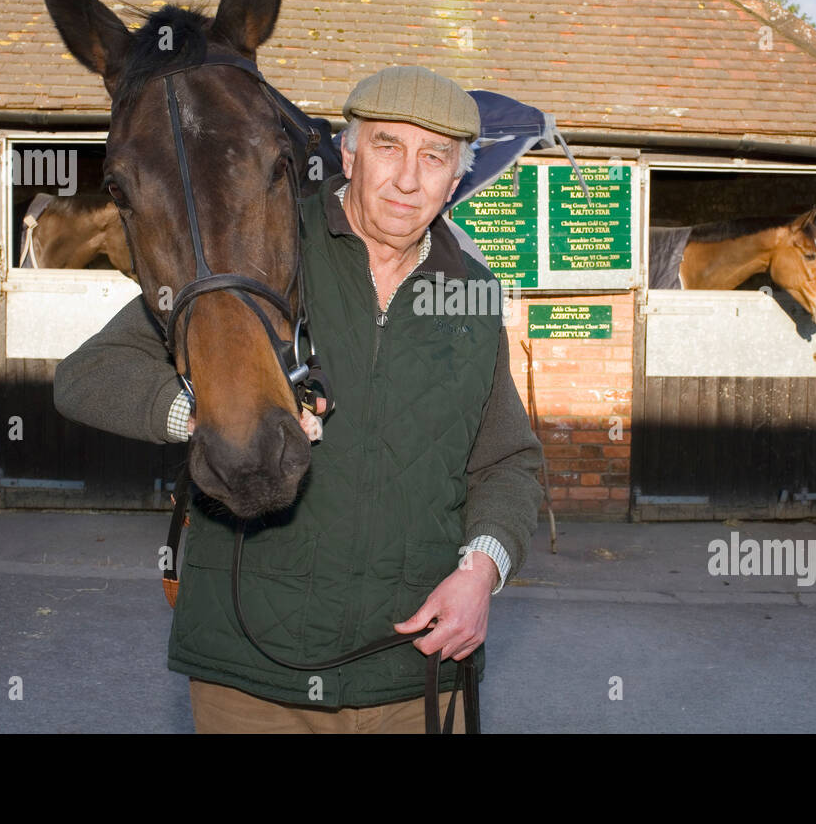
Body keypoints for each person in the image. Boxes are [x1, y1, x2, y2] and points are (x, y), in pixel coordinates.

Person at [53, 65, 543, 733]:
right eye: (388, 146)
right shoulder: (258, 241)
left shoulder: (471, 292)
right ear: (347, 152)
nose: (408, 178)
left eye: (434, 157)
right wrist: (203, 411)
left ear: (455, 178)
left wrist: (482, 573)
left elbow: (507, 461)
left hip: (415, 672)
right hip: (253, 678)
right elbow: (89, 375)